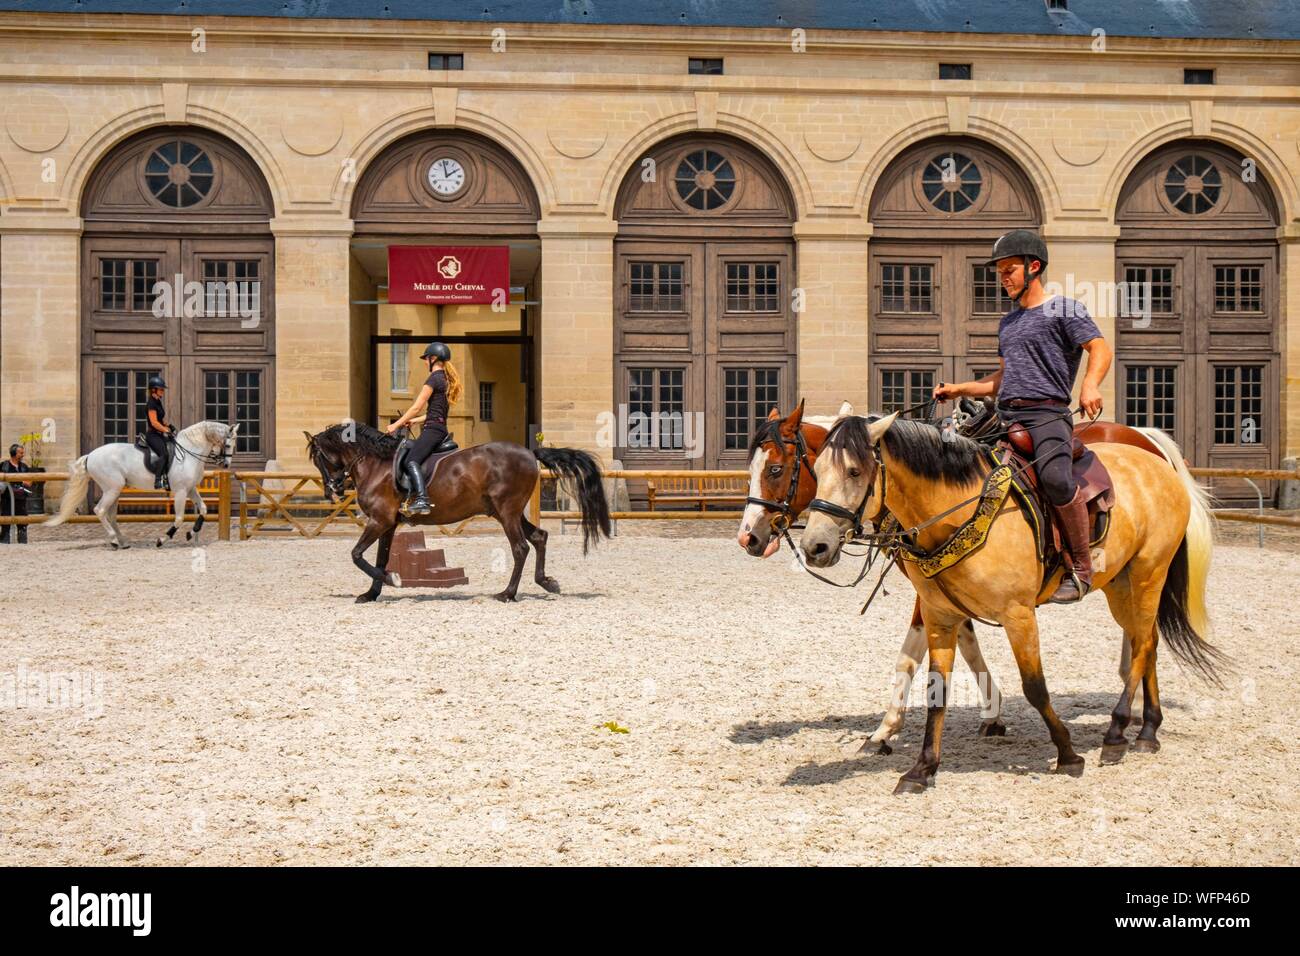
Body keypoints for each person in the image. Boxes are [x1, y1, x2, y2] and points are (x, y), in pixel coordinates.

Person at [932, 229, 1112, 603]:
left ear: (1034, 267)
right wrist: (959, 389)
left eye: (1009, 270)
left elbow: (1099, 348)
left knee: (1055, 479)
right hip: (1005, 414)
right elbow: (1002, 378)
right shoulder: (1009, 322)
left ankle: (1080, 568)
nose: (1003, 278)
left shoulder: (1064, 309)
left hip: (1047, 416)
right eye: (999, 272)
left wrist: (1091, 385)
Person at [386, 342, 464, 514]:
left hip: (432, 430)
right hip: (438, 427)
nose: (424, 362)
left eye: (425, 358)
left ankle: (422, 499)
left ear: (433, 358)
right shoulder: (445, 379)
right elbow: (436, 413)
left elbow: (416, 407)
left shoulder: (433, 379)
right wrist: (414, 421)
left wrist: (395, 425)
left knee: (411, 460)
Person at [144, 375, 174, 490]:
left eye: (162, 389)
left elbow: (161, 420)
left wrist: (169, 426)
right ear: (153, 390)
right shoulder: (151, 403)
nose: (163, 391)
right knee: (164, 454)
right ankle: (157, 481)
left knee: (173, 448)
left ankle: (167, 479)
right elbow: (154, 422)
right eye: (161, 389)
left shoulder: (158, 402)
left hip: (159, 433)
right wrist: (166, 430)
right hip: (152, 435)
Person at [0, 442, 32, 544]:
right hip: (7, 498)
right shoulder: (4, 466)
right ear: (14, 453)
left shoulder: (24, 467)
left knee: (22, 523)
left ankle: (22, 544)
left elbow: (29, 482)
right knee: (5, 522)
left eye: (23, 453)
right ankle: (5, 543)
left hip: (21, 498)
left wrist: (19, 481)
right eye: (20, 453)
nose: (22, 455)